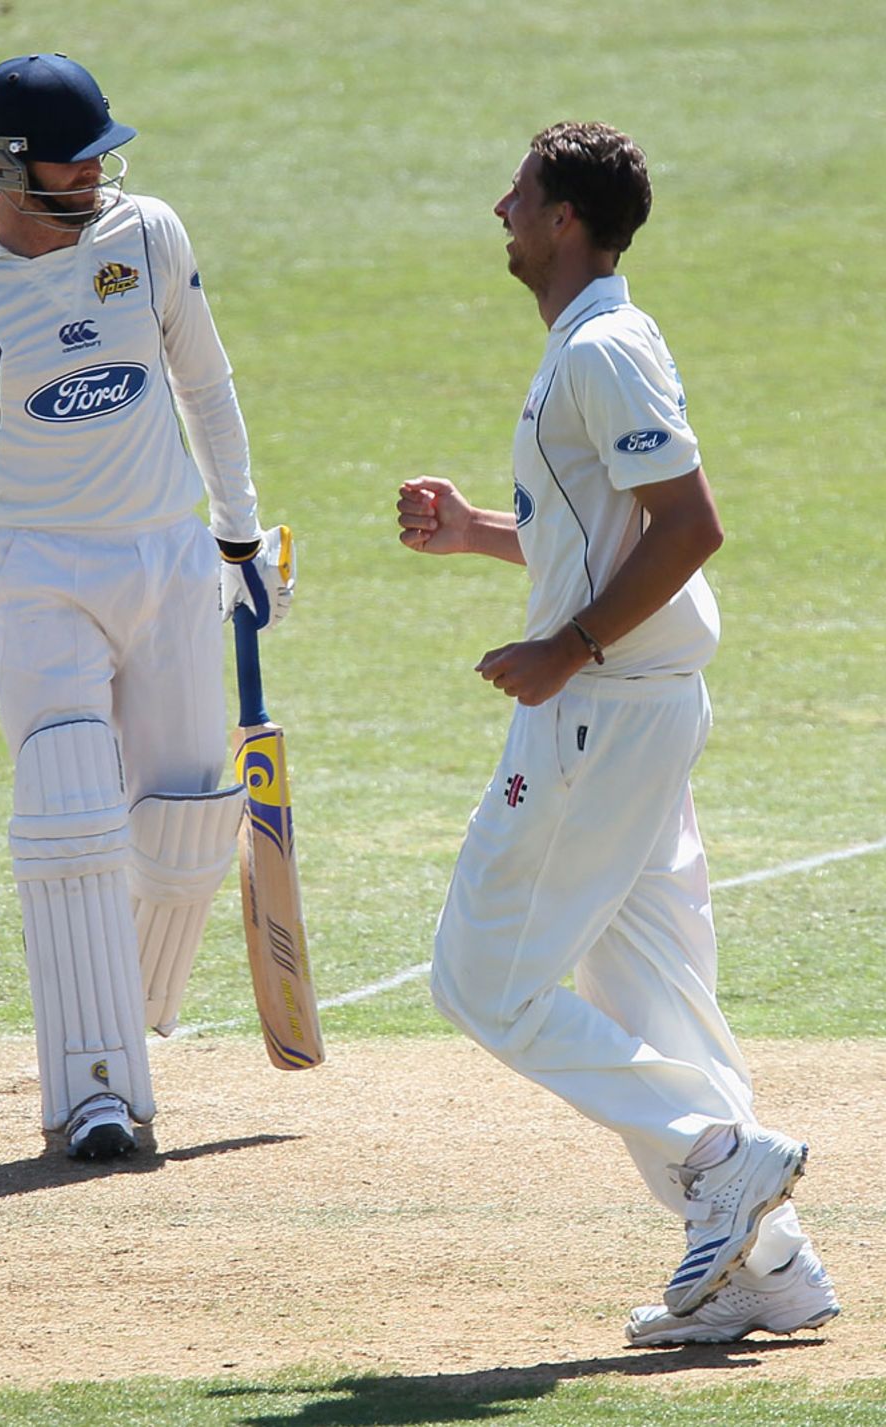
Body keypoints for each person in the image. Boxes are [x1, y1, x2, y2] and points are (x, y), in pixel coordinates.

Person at [396, 122, 839, 1346]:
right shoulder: (587, 347)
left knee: (480, 977)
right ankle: (771, 1265)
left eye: (521, 192)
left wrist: (567, 650)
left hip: (604, 706)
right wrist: (481, 530)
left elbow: (689, 526)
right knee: (651, 996)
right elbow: (607, 528)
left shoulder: (603, 347)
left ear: (566, 221)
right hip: (633, 707)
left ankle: (716, 1155)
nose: (501, 205)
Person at [0, 53, 293, 1163]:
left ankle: (126, 1016)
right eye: (82, 153)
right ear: (11, 167)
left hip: (168, 559)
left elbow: (207, 383)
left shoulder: (148, 236)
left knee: (192, 827)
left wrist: (241, 537)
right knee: (67, 819)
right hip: (40, 576)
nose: (105, 169)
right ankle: (96, 1089)